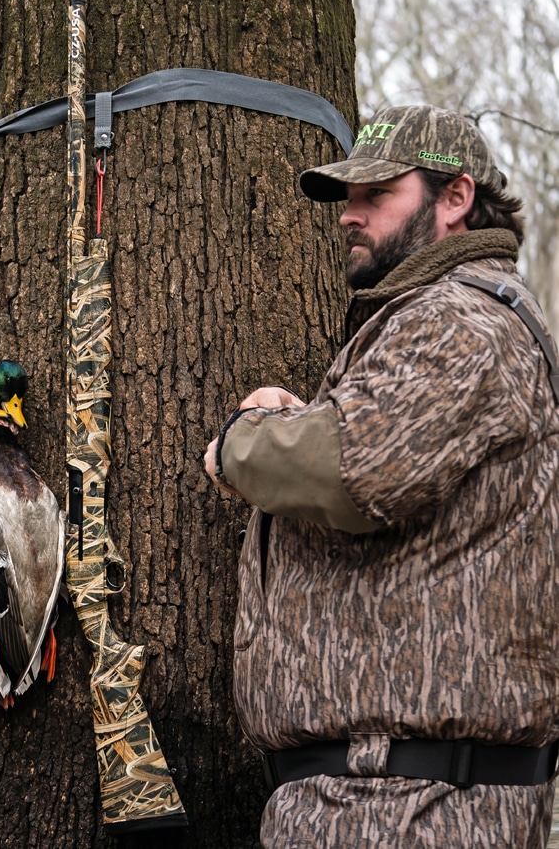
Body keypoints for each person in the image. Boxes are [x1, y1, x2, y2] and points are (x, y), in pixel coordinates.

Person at [204, 104, 559, 848]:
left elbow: (349, 471)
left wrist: (245, 441)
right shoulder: (440, 319)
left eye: (376, 194)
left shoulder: (458, 321)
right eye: (347, 198)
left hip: (407, 806)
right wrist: (301, 424)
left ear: (455, 198)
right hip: (381, 795)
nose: (349, 216)